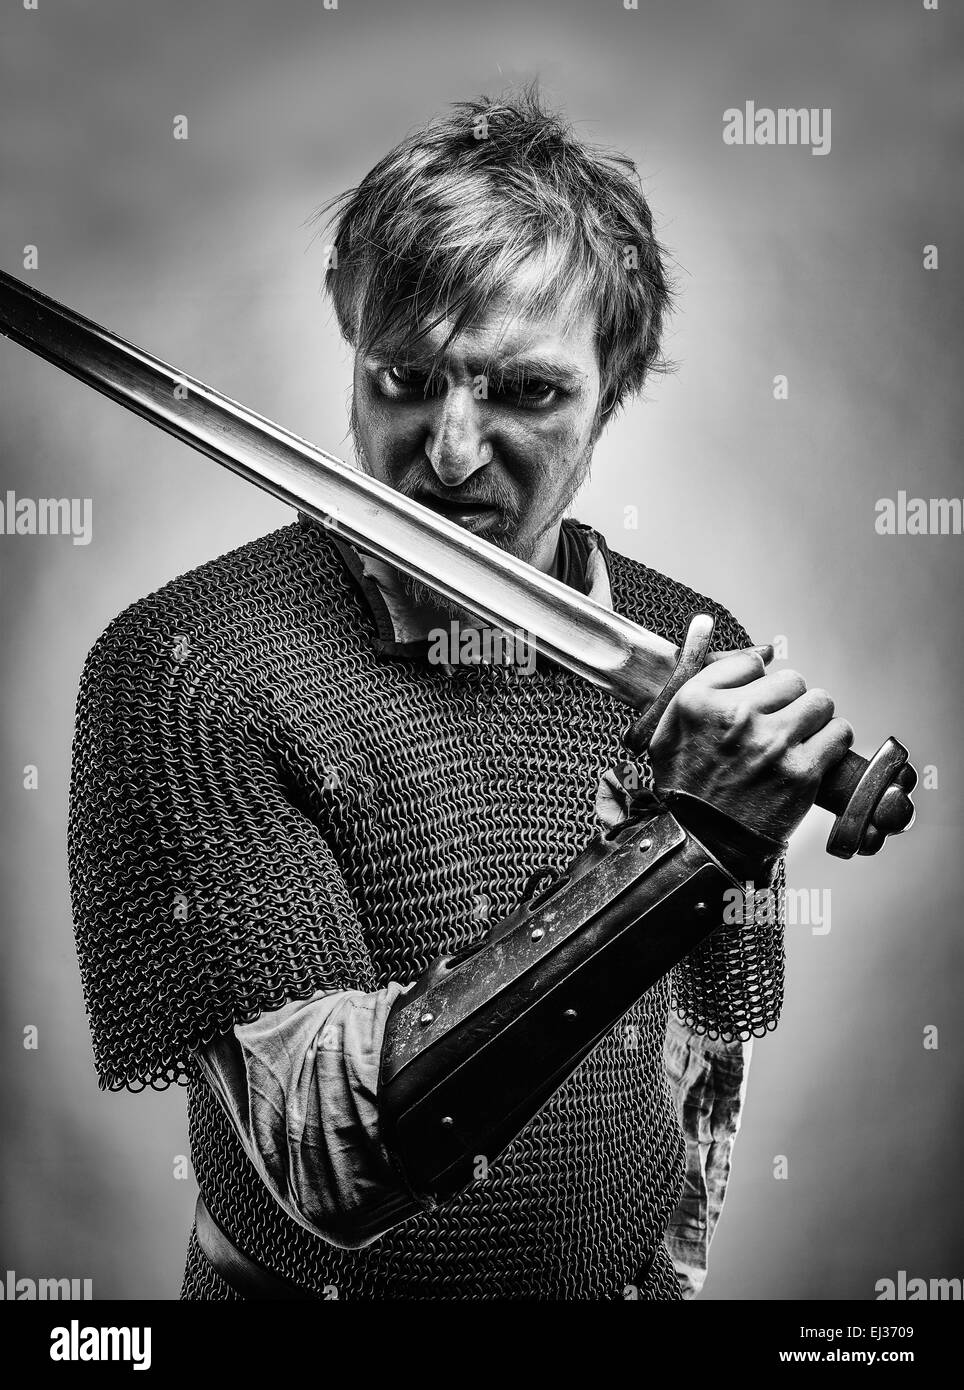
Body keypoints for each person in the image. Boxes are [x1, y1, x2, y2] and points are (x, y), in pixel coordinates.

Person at [67, 86, 853, 1301]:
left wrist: (674, 1271)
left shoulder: (696, 664)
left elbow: (701, 1051)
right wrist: (681, 838)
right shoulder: (188, 665)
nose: (447, 451)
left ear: (612, 392)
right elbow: (336, 1161)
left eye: (525, 393)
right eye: (405, 379)